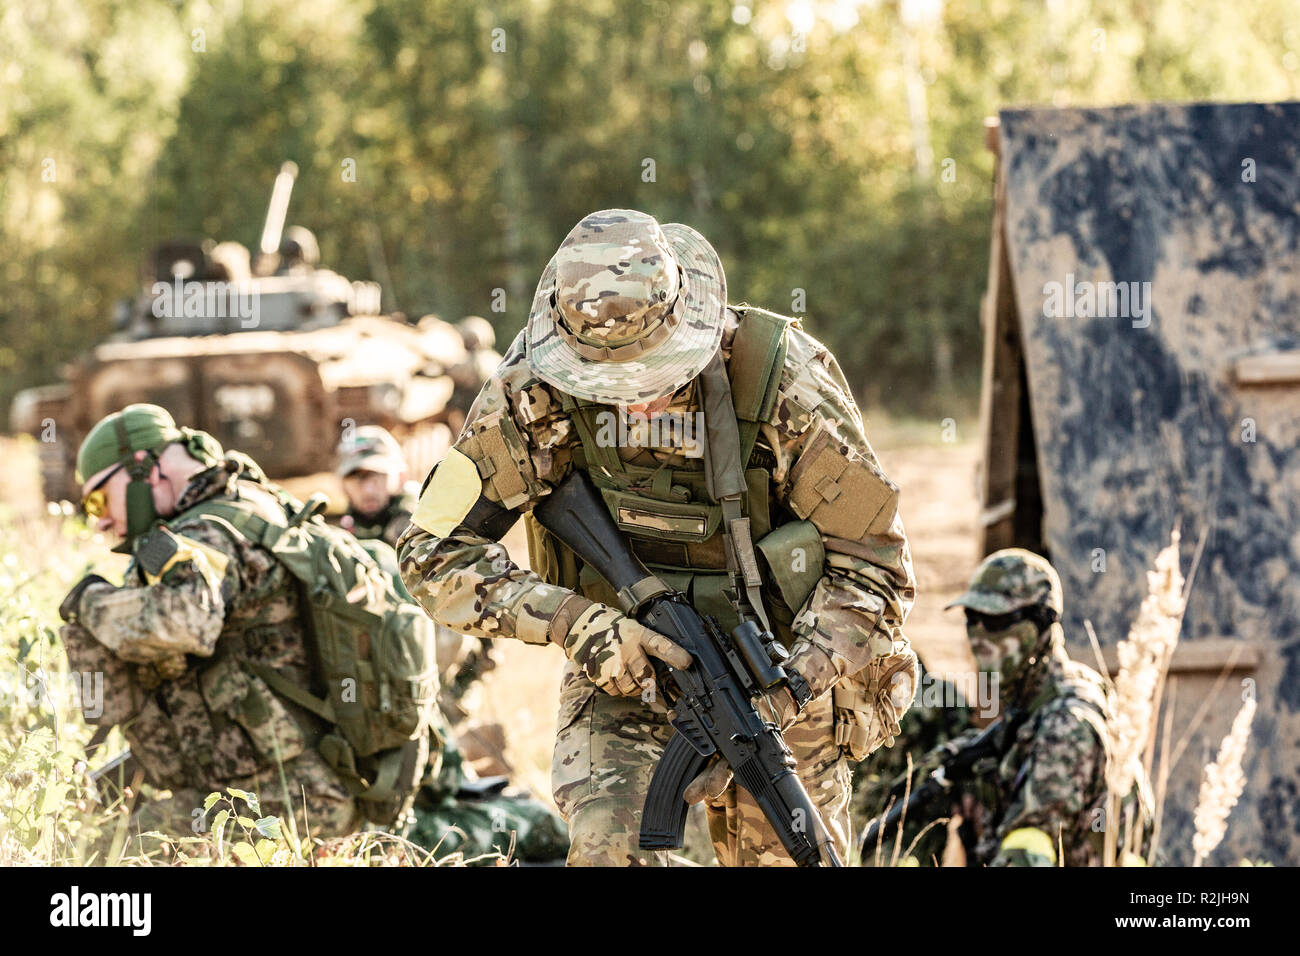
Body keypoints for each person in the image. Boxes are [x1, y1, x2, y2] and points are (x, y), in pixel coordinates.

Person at [398, 208, 918, 866]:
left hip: (785, 669)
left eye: (652, 376)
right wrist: (576, 623)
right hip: (626, 665)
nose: (631, 404)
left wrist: (788, 687)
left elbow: (875, 568)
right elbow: (431, 551)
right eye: (605, 385)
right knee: (609, 851)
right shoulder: (535, 390)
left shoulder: (783, 382)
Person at [60, 404, 363, 845]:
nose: (101, 519)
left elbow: (185, 622)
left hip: (282, 803)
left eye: (98, 499)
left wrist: (90, 601)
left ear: (143, 466)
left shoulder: (208, 531)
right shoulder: (247, 502)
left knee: (94, 851)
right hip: (300, 784)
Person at [901, 549, 1149, 866]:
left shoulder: (1067, 725)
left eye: (994, 621)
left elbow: (1027, 852)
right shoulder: (1036, 700)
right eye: (971, 620)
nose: (978, 635)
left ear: (1038, 625)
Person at [333, 424, 499, 724]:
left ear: (398, 476)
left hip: (446, 663)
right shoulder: (345, 532)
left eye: (377, 477)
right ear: (344, 484)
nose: (368, 489)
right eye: (357, 479)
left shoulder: (426, 520)